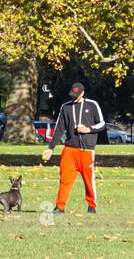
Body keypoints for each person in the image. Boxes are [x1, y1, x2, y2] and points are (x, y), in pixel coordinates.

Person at [41, 82, 106, 214]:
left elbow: (102, 124)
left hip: (86, 150)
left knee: (89, 180)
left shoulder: (92, 105)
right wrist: (50, 148)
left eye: (76, 95)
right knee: (65, 179)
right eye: (72, 95)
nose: (74, 98)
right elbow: (59, 129)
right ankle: (60, 206)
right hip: (70, 149)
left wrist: (89, 129)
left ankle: (91, 205)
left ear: (82, 93)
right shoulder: (66, 107)